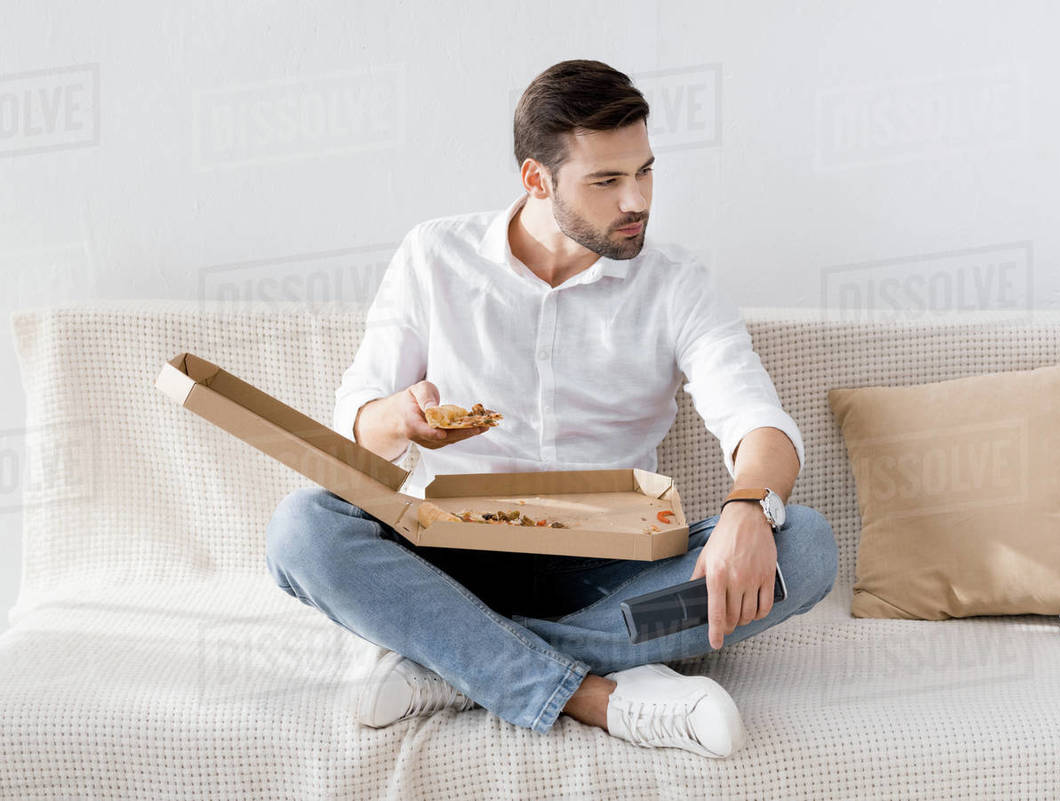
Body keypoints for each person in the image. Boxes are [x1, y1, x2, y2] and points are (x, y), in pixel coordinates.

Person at [265, 59, 837, 759]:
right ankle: (594, 692)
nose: (636, 200)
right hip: (450, 558)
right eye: (606, 180)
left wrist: (751, 506)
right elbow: (353, 428)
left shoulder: (676, 284)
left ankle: (453, 662)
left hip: (613, 568)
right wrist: (398, 419)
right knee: (302, 528)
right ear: (537, 179)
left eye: (645, 171)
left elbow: (756, 421)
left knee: (806, 546)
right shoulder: (434, 256)